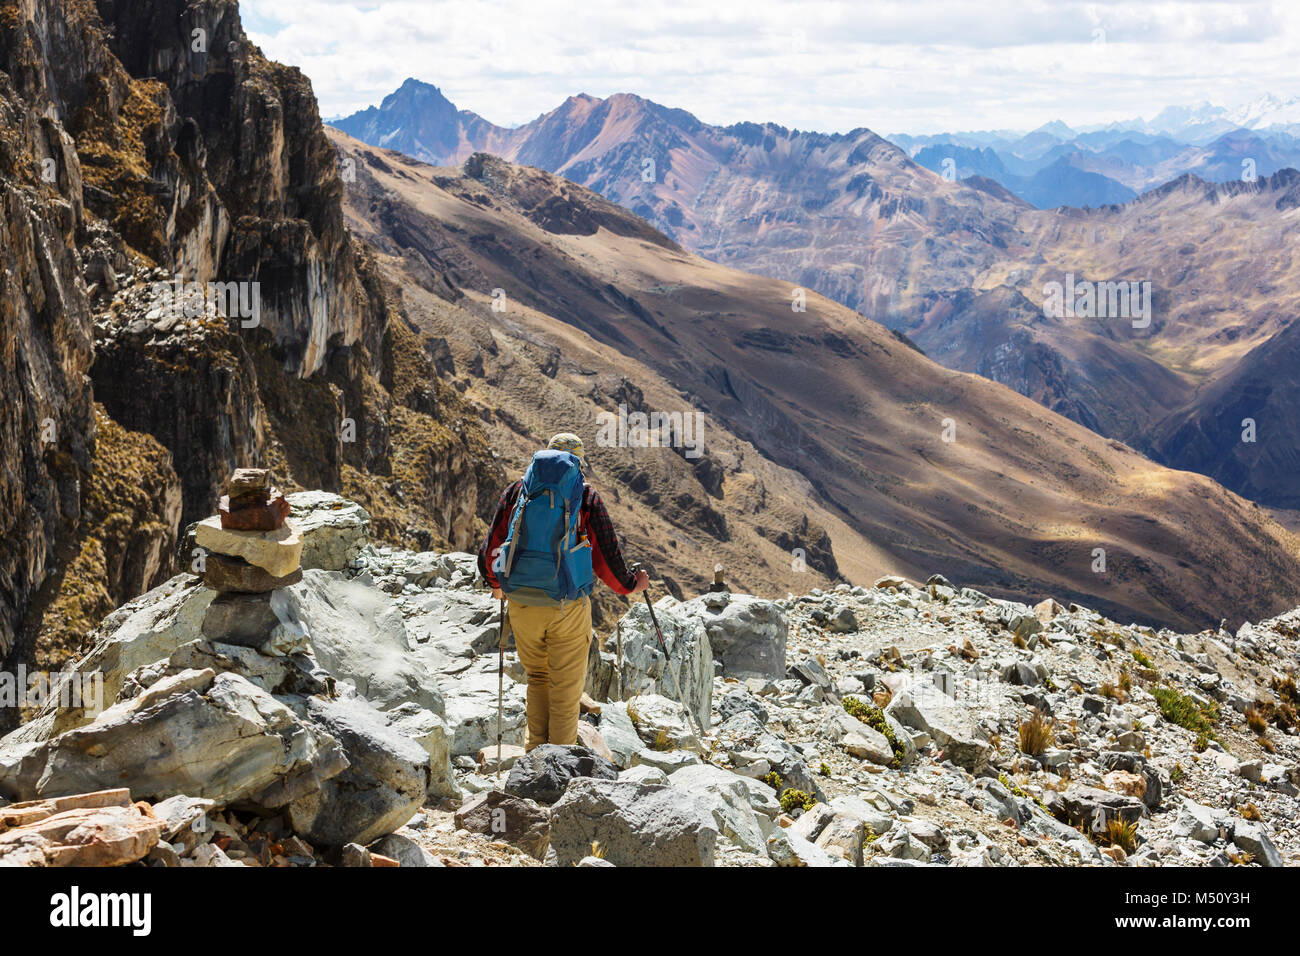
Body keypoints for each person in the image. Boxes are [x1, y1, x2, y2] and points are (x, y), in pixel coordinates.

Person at [478, 432, 649, 751]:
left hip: (522, 604)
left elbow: (488, 551)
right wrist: (633, 584)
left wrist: (498, 586)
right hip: (566, 608)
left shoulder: (518, 491)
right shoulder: (585, 498)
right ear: (578, 462)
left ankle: (534, 755)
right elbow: (607, 562)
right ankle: (558, 764)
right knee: (566, 689)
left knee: (539, 678)